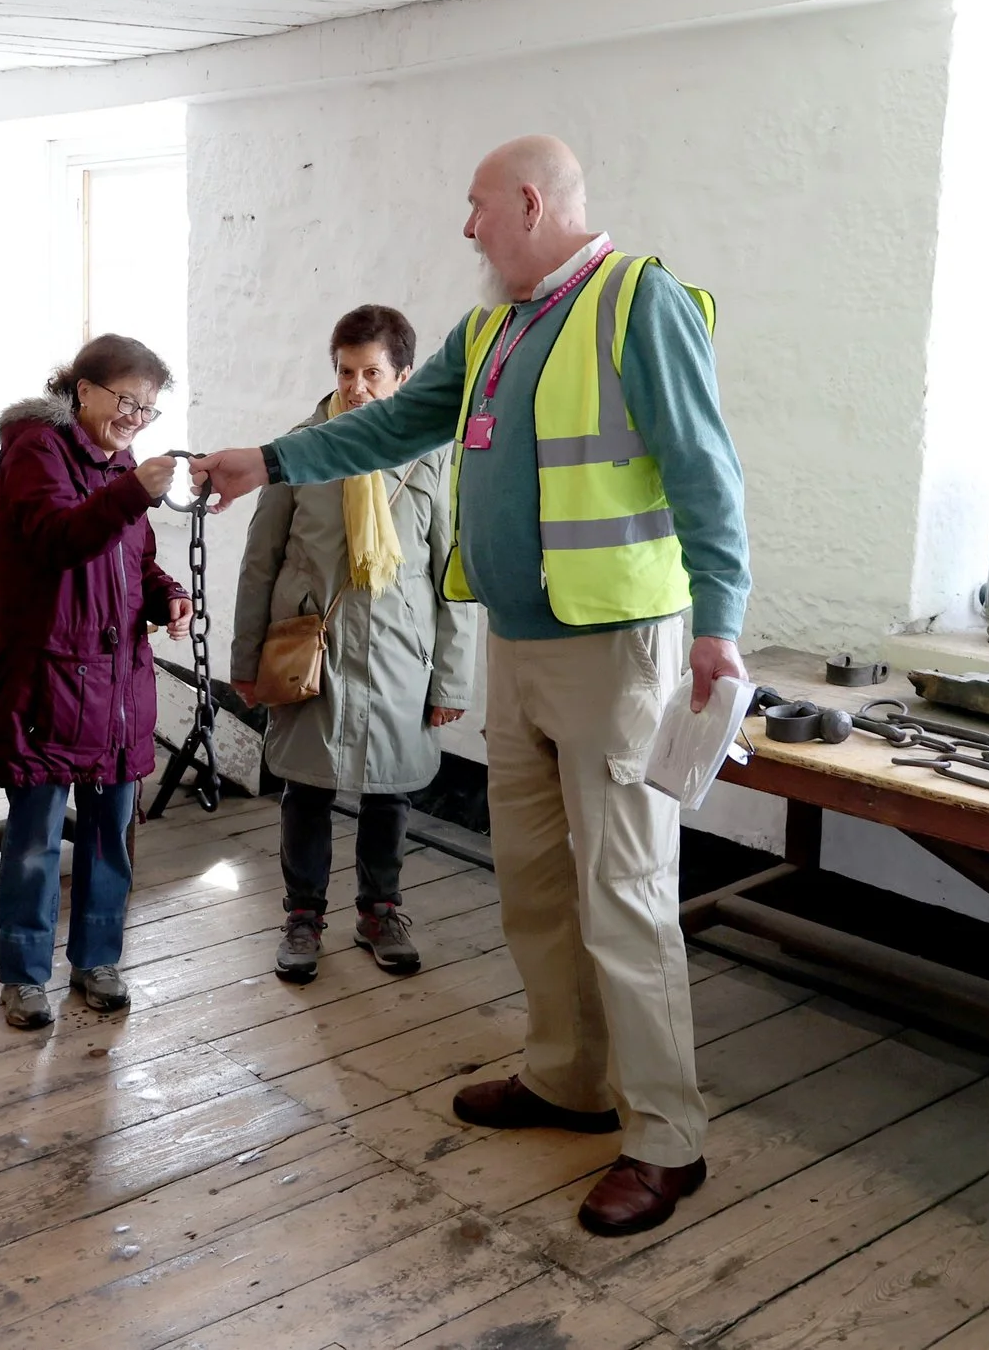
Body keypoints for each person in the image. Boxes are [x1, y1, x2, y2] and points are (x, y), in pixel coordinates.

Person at [194, 136, 750, 1240]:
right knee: (537, 884)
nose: (467, 228)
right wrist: (271, 457)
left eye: (477, 206)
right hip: (521, 645)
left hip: (620, 649)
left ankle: (665, 1138)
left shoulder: (639, 303)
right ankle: (566, 1077)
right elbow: (400, 420)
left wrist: (720, 624)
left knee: (626, 896)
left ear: (531, 203)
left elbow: (705, 466)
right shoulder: (494, 329)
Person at [230, 305, 479, 984]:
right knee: (305, 789)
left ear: (403, 377)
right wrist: (244, 663)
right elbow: (261, 562)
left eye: (373, 373)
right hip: (312, 650)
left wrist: (452, 681)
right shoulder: (300, 448)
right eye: (346, 371)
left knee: (389, 790)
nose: (356, 388)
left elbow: (453, 571)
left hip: (400, 653)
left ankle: (381, 909)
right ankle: (302, 915)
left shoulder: (431, 457)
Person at [0, 334, 192, 1030]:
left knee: (110, 837)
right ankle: (23, 974)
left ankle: (98, 958)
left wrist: (165, 595)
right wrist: (134, 492)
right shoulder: (34, 453)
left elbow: (134, 559)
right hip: (51, 682)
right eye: (126, 399)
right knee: (37, 839)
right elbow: (56, 538)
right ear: (82, 390)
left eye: (149, 407)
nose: (136, 416)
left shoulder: (120, 462)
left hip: (118, 687)